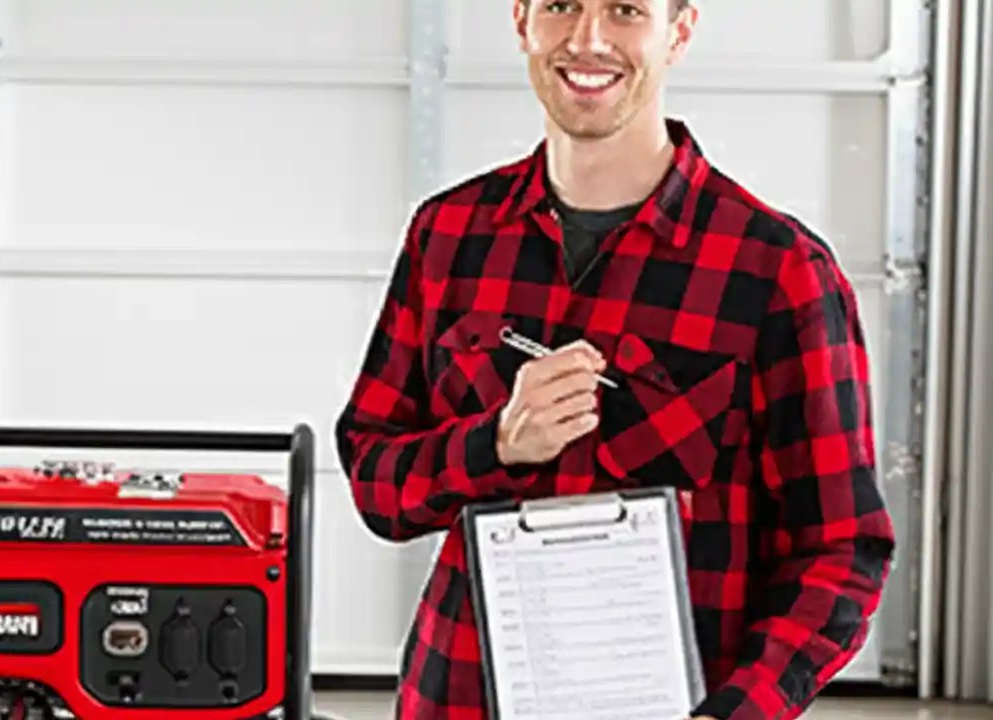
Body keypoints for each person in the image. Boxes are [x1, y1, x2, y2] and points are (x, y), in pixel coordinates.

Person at [334, 0, 897, 718]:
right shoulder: (449, 235)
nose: (588, 38)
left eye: (626, 10)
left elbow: (842, 553)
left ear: (680, 30)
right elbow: (375, 480)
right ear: (522, 21)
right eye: (561, 6)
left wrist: (737, 712)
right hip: (458, 699)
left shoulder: (777, 272)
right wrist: (496, 444)